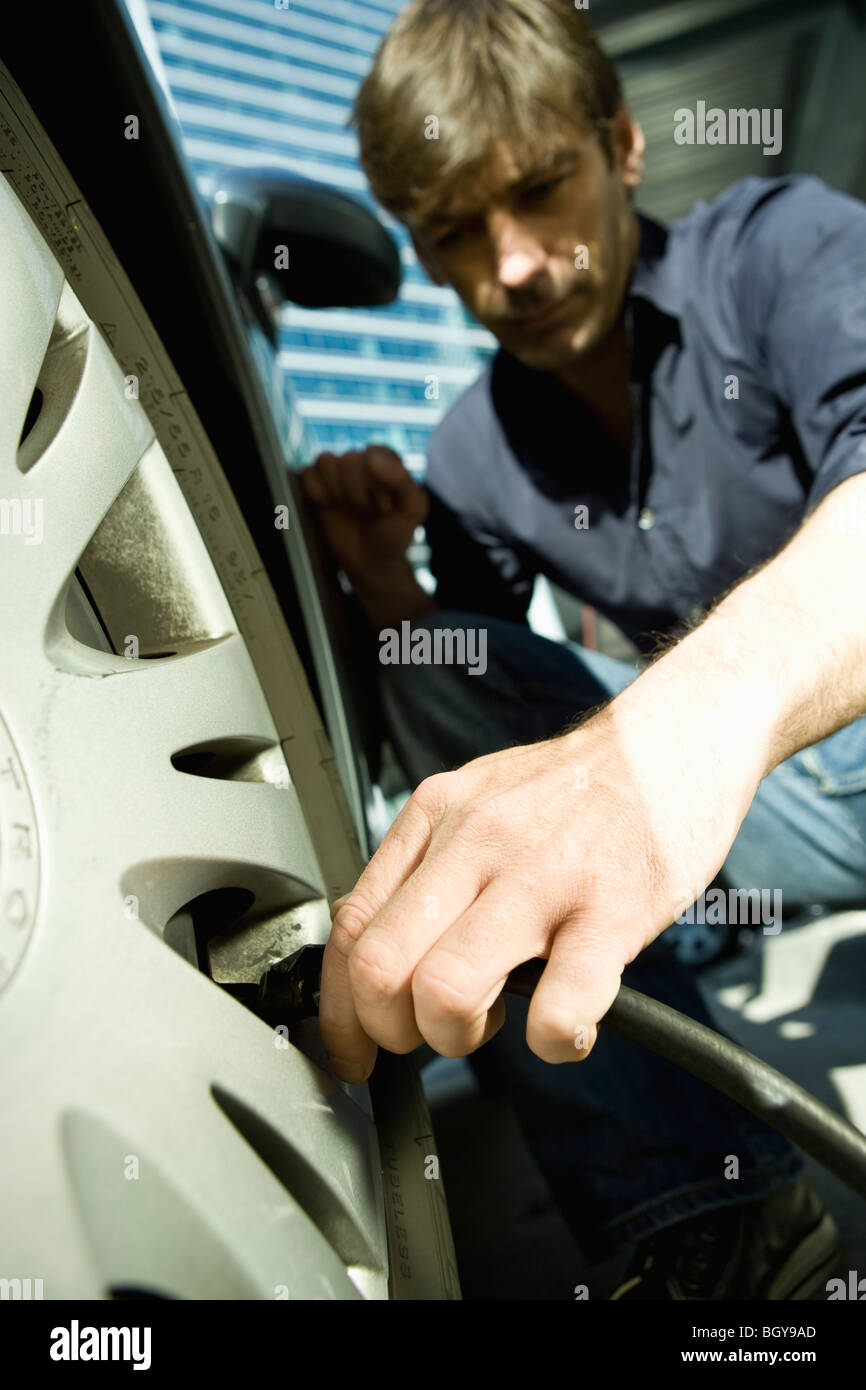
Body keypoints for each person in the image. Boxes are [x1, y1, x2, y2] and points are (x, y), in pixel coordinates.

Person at [300, 0, 866, 1298]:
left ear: (617, 147)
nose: (513, 264)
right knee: (436, 658)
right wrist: (386, 589)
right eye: (453, 232)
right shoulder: (470, 452)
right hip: (747, 838)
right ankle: (716, 1222)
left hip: (788, 753)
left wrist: (654, 750)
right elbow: (488, 691)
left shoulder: (780, 250)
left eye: (538, 189)